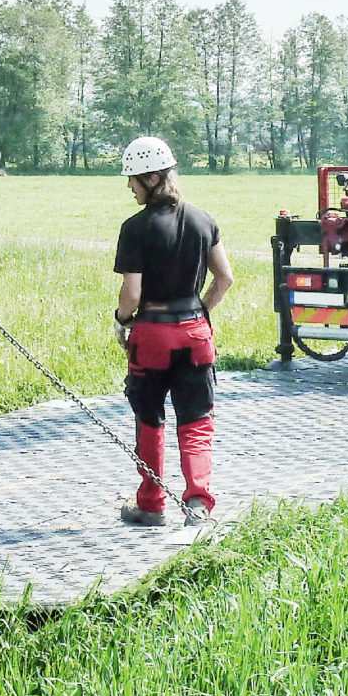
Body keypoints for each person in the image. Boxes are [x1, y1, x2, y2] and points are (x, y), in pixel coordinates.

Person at [112, 136, 235, 527]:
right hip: (196, 335)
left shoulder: (135, 228)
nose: (128, 187)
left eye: (132, 180)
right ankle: (198, 505)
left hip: (152, 337)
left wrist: (120, 319)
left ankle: (150, 505)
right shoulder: (204, 219)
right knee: (196, 421)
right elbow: (225, 278)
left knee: (150, 420)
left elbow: (132, 294)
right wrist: (199, 312)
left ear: (150, 178)